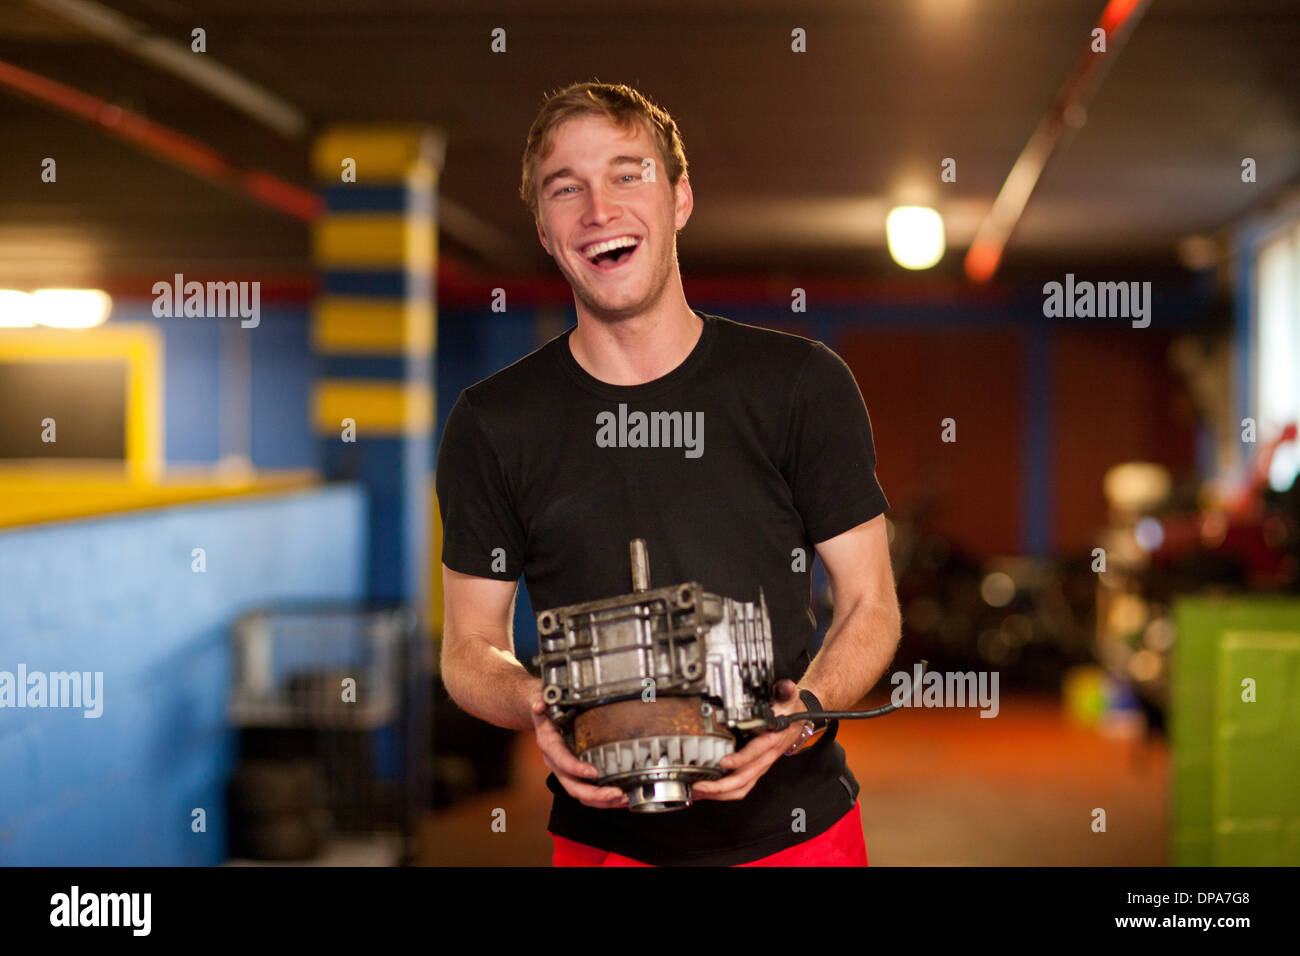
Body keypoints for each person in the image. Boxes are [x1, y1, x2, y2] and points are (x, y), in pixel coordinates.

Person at [435, 81, 902, 866]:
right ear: (546, 231)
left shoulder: (798, 385)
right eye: (566, 189)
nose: (598, 209)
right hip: (607, 845)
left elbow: (872, 604)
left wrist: (806, 713)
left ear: (680, 198)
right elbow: (468, 647)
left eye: (628, 173)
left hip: (795, 833)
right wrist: (538, 704)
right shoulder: (494, 423)